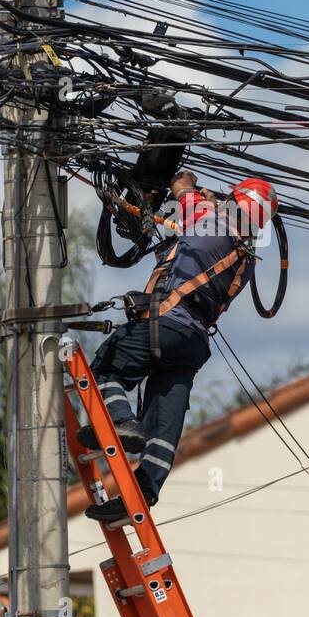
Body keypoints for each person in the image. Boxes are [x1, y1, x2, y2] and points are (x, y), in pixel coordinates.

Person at [79, 175, 278, 524]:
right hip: (191, 344)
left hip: (165, 321)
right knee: (164, 418)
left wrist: (184, 183)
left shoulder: (211, 221)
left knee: (104, 371)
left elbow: (182, 193)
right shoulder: (246, 261)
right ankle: (142, 493)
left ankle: (123, 422)